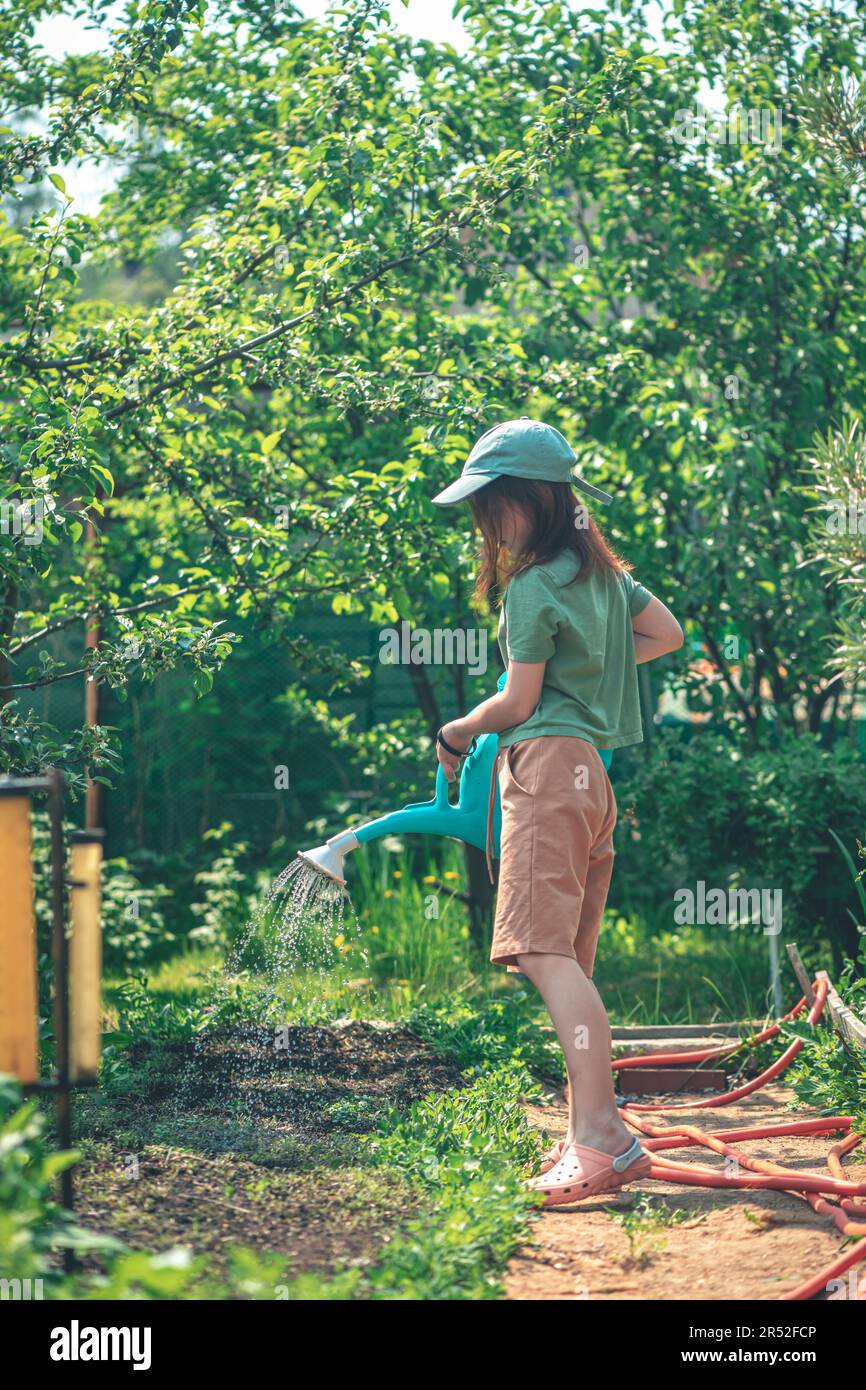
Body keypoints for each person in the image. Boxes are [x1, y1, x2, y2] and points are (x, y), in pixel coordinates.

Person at [431, 417, 683, 1206]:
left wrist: (458, 728)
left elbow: (518, 700)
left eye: (492, 509)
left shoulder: (536, 585)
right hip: (594, 781)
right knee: (566, 956)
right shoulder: (604, 577)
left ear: (527, 501)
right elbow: (666, 635)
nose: (487, 528)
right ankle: (591, 1132)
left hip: (545, 768)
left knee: (543, 955)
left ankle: (603, 1135)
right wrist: (597, 666)